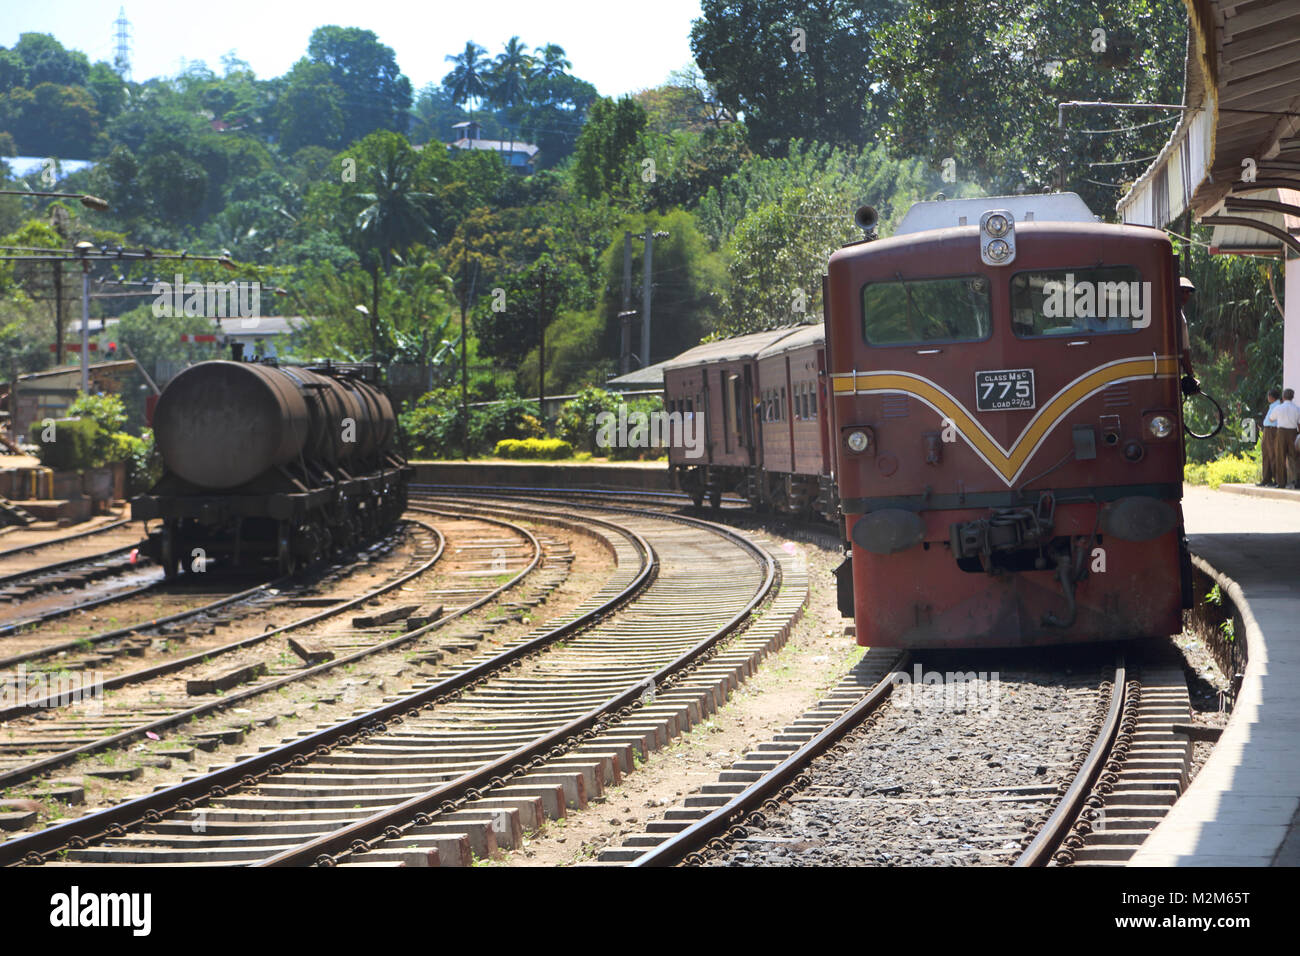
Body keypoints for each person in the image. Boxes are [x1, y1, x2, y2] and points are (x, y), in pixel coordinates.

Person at [1272, 388, 1300, 489]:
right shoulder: (1297, 409)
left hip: (1281, 432)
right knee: (1294, 457)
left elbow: (1271, 418)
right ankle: (1296, 481)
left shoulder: (1279, 408)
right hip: (1293, 433)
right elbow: (1299, 423)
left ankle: (1281, 483)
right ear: (1292, 397)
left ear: (1283, 397)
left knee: (1280, 457)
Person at [1261, 388, 1281, 487]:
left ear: (1272, 397)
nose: (1268, 397)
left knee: (1272, 454)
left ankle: (1276, 479)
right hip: (1267, 429)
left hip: (1272, 430)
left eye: (1269, 396)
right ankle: (1266, 478)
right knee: (1266, 454)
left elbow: (1272, 419)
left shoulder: (1277, 406)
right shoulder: (1273, 405)